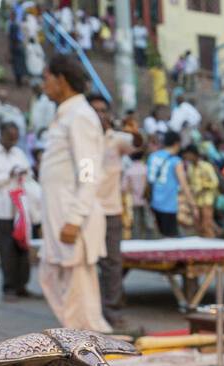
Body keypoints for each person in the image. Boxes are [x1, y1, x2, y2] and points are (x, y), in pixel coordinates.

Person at [37, 54, 109, 331]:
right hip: (58, 217)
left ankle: (92, 345)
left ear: (61, 80)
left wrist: (76, 218)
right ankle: (80, 339)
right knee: (50, 277)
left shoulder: (80, 116)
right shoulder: (66, 115)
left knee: (80, 296)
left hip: (73, 218)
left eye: (47, 79)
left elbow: (89, 171)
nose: (44, 85)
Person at [90, 94, 141, 327]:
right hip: (87, 210)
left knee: (112, 263)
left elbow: (138, 144)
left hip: (111, 210)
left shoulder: (116, 139)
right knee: (88, 263)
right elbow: (84, 178)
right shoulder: (83, 140)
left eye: (103, 110)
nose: (99, 115)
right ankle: (91, 311)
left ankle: (111, 310)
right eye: (95, 110)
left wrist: (135, 131)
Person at [0, 121, 35, 298]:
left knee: (23, 247)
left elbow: (29, 175)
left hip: (20, 209)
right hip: (0, 208)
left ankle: (22, 286)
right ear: (0, 134)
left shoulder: (18, 153)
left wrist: (23, 174)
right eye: (10, 138)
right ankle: (9, 287)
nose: (12, 141)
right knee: (6, 248)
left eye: (15, 138)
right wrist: (6, 176)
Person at [147, 132, 189, 236]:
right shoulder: (176, 161)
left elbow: (149, 179)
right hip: (169, 205)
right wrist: (192, 205)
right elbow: (184, 184)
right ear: (177, 143)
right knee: (171, 238)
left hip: (154, 203)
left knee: (161, 235)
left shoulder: (153, 157)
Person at [182, 143, 219, 238]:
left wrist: (203, 187)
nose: (187, 157)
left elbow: (215, 182)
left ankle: (212, 247)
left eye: (188, 155)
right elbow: (189, 183)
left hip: (207, 199)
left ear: (194, 154)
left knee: (207, 225)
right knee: (198, 227)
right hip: (196, 201)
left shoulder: (206, 166)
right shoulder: (190, 168)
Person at [123, 149, 152, 239]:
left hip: (133, 200)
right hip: (146, 199)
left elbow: (124, 187)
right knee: (148, 220)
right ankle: (149, 240)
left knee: (136, 222)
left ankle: (136, 240)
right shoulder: (146, 169)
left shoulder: (129, 171)